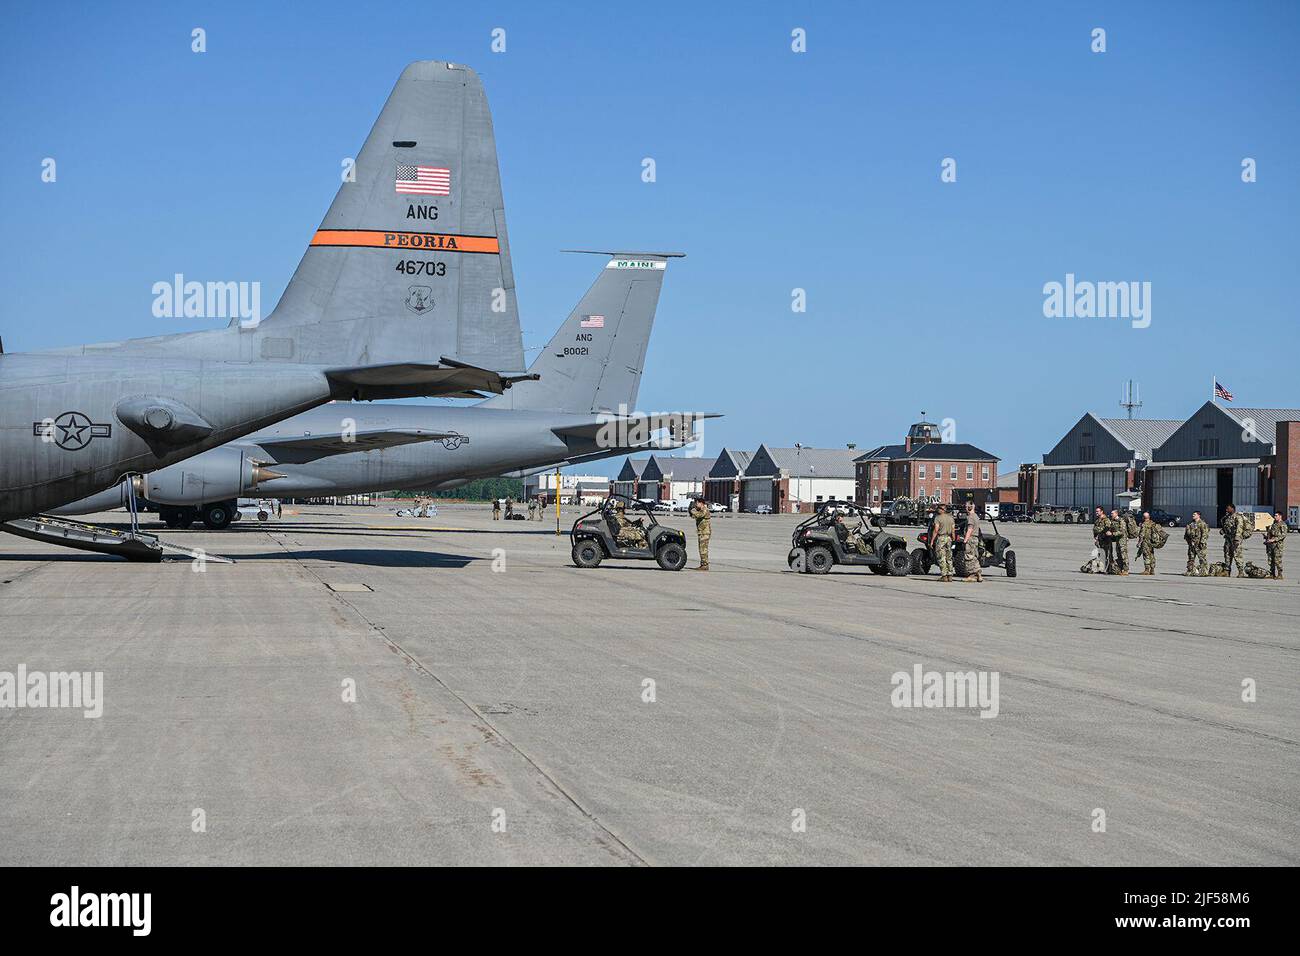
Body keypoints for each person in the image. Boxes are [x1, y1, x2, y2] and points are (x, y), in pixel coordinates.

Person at [1220, 503, 1246, 578]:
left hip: (1235, 539)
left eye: (1228, 508)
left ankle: (1241, 572)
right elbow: (1227, 526)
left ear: (1232, 509)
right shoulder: (1228, 517)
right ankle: (1227, 571)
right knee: (1227, 554)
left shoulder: (1238, 517)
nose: (1226, 510)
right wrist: (1223, 530)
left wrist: (1237, 538)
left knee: (1237, 555)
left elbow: (1239, 527)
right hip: (1228, 538)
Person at [960, 501, 983, 582]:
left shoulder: (970, 517)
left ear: (969, 507)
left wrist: (965, 540)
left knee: (969, 557)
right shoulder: (976, 516)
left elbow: (970, 529)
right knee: (974, 557)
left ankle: (971, 575)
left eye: (966, 506)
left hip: (971, 538)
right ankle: (978, 574)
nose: (965, 508)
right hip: (975, 539)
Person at [932, 503, 956, 582]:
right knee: (949, 557)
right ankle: (950, 575)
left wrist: (932, 541)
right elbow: (953, 530)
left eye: (939, 508)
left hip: (941, 538)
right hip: (949, 538)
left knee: (941, 557)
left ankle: (944, 575)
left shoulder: (938, 518)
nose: (937, 510)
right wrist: (953, 538)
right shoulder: (951, 518)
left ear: (942, 509)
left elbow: (936, 530)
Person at [688, 498, 711, 571]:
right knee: (701, 549)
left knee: (703, 550)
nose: (695, 505)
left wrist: (692, 510)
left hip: (705, 532)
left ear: (701, 503)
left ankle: (705, 565)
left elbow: (699, 515)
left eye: (696, 503)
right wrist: (690, 511)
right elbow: (693, 516)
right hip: (701, 532)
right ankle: (703, 564)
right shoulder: (700, 510)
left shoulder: (705, 509)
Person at [1184, 510, 1209, 576]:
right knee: (1191, 558)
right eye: (1193, 514)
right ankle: (1190, 571)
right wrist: (1189, 542)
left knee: (1202, 558)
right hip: (1192, 545)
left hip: (1199, 545)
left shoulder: (1202, 524)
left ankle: (1204, 572)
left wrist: (1202, 542)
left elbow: (1205, 534)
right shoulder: (1190, 524)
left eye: (1194, 514)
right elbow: (1186, 535)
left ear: (1198, 515)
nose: (1193, 516)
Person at [1265, 511, 1287, 579]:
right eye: (1274, 516)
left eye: (1276, 515)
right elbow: (1272, 533)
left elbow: (1283, 535)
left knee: (1277, 560)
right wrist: (1267, 537)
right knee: (1271, 559)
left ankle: (1280, 574)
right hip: (1271, 544)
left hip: (1278, 545)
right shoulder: (1274, 524)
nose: (1275, 517)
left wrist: (1274, 539)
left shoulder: (1283, 524)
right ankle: (1272, 574)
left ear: (1280, 516)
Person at [1108, 509, 1130, 575]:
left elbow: (1122, 532)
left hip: (1122, 541)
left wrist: (1112, 534)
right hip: (1118, 540)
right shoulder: (1113, 521)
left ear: (1116, 514)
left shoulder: (1121, 521)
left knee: (1124, 555)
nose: (1111, 514)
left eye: (1112, 513)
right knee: (1119, 555)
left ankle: (1126, 570)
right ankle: (1120, 569)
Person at [1091, 507, 1112, 573]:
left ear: (1102, 511)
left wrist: (1101, 533)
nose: (1096, 512)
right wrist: (1095, 537)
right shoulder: (1097, 520)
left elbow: (1107, 529)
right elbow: (1095, 530)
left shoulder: (1106, 520)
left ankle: (1108, 569)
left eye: (1098, 511)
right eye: (1096, 511)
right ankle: (1101, 568)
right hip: (1099, 540)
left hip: (1105, 540)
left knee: (1107, 555)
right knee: (1100, 555)